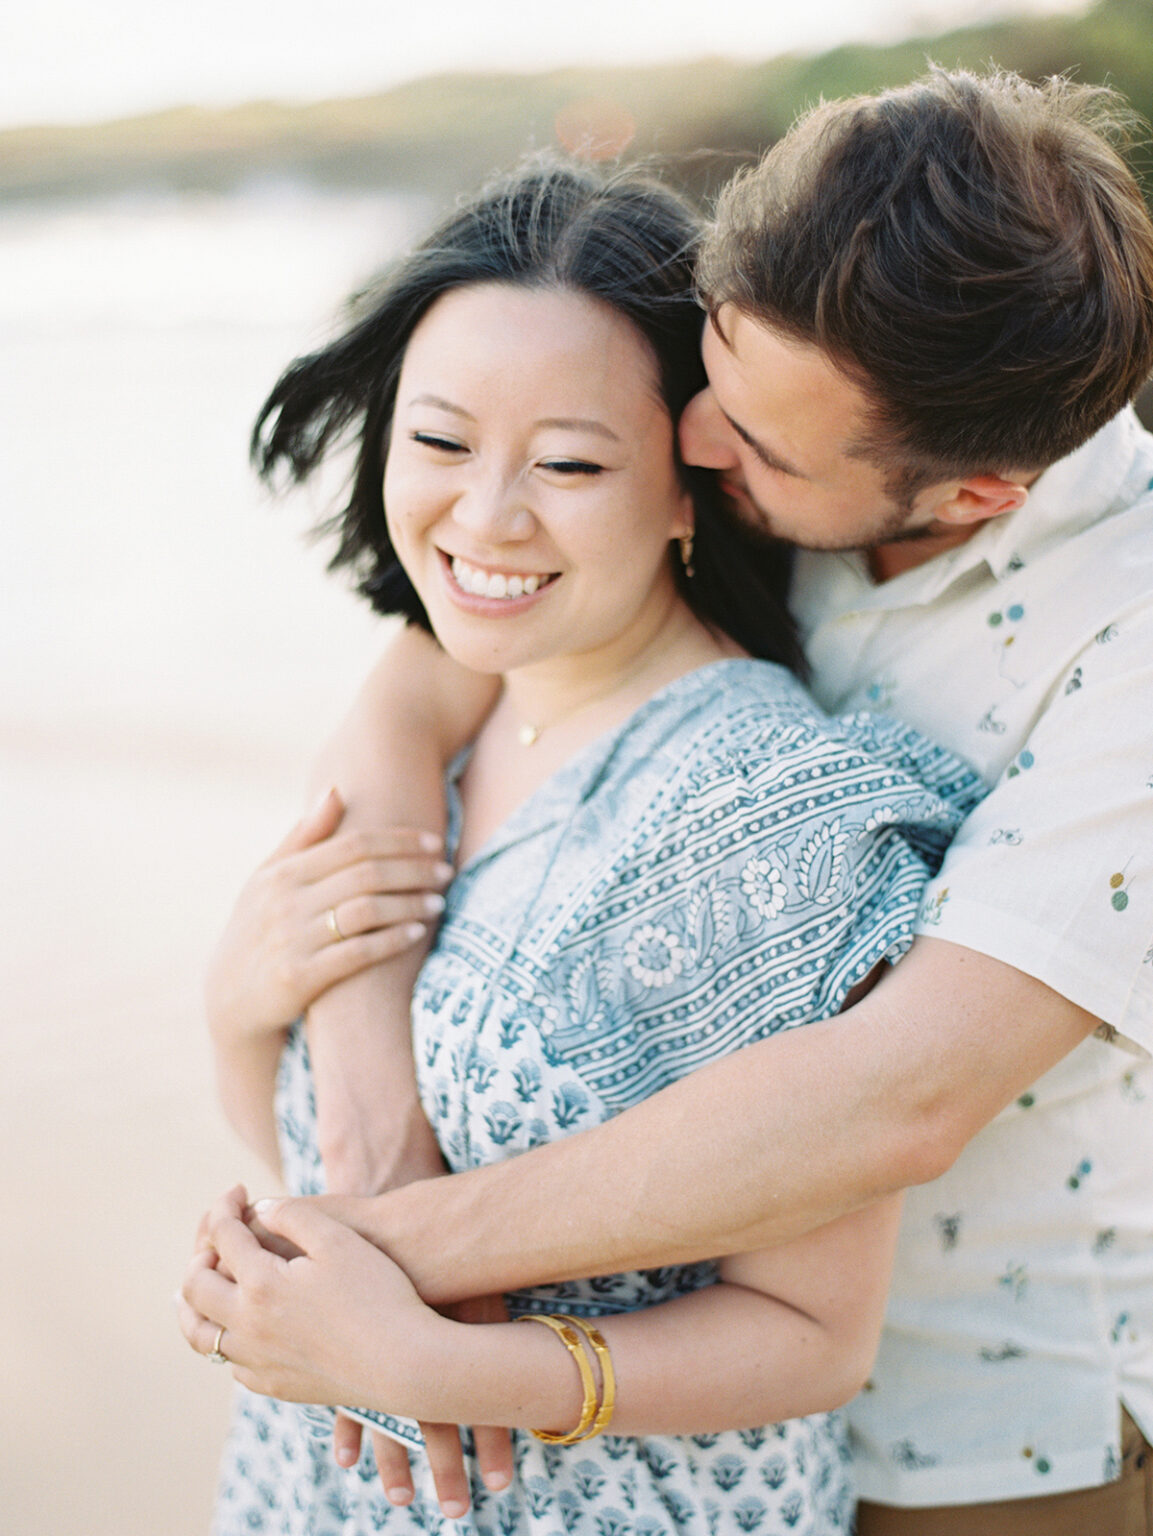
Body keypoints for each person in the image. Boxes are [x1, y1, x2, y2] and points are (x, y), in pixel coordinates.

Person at [190, 67, 1153, 1532]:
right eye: (709, 366)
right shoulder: (799, 408)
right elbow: (420, 681)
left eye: (751, 445)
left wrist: (383, 1272)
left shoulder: (1119, 641)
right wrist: (284, 1005)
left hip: (996, 1431)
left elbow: (896, 1096)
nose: (698, 435)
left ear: (974, 493)